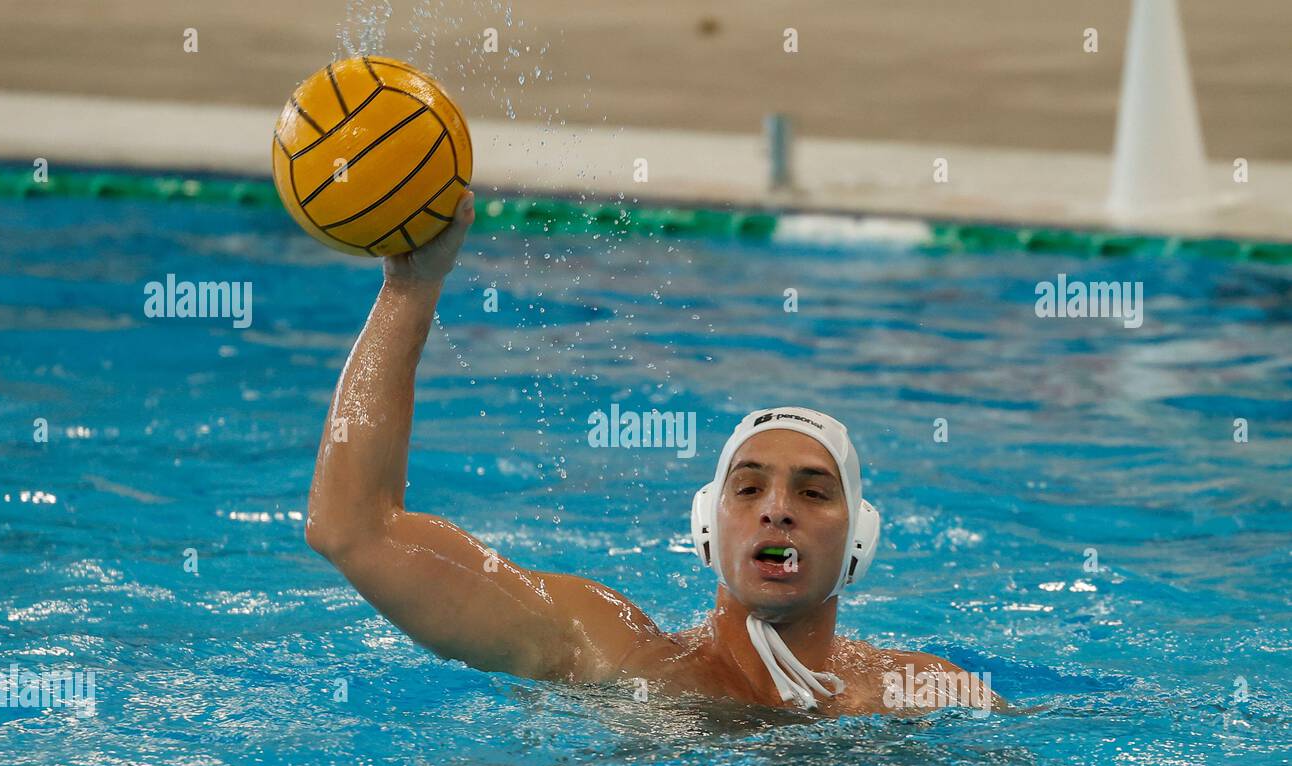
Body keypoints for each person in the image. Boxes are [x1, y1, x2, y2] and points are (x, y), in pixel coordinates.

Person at [305, 189, 1002, 716]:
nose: (778, 512)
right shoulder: (609, 649)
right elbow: (354, 529)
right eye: (749, 488)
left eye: (814, 491)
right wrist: (410, 288)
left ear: (861, 542)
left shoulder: (923, 693)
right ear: (707, 525)